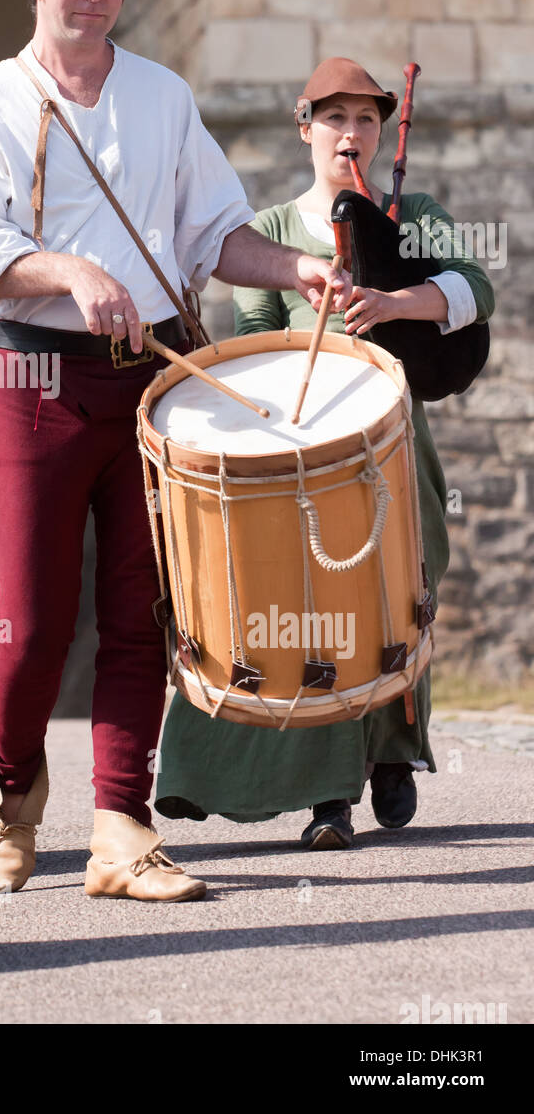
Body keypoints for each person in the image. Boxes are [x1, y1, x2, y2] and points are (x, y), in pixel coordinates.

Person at [0, 0, 346, 900]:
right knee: (29, 618)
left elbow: (215, 234)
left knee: (139, 608)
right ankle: (12, 791)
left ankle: (121, 826)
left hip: (154, 381)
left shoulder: (162, 97)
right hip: (33, 378)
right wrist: (69, 269)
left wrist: (296, 271)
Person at [154, 57, 495, 847]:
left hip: (396, 442)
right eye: (336, 118)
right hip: (304, 449)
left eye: (368, 119)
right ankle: (329, 795)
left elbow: (478, 286)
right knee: (315, 607)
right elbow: (251, 341)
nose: (353, 133)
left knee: (402, 593)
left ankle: (392, 754)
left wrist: (394, 300)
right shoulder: (270, 233)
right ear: (305, 127)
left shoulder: (417, 212)